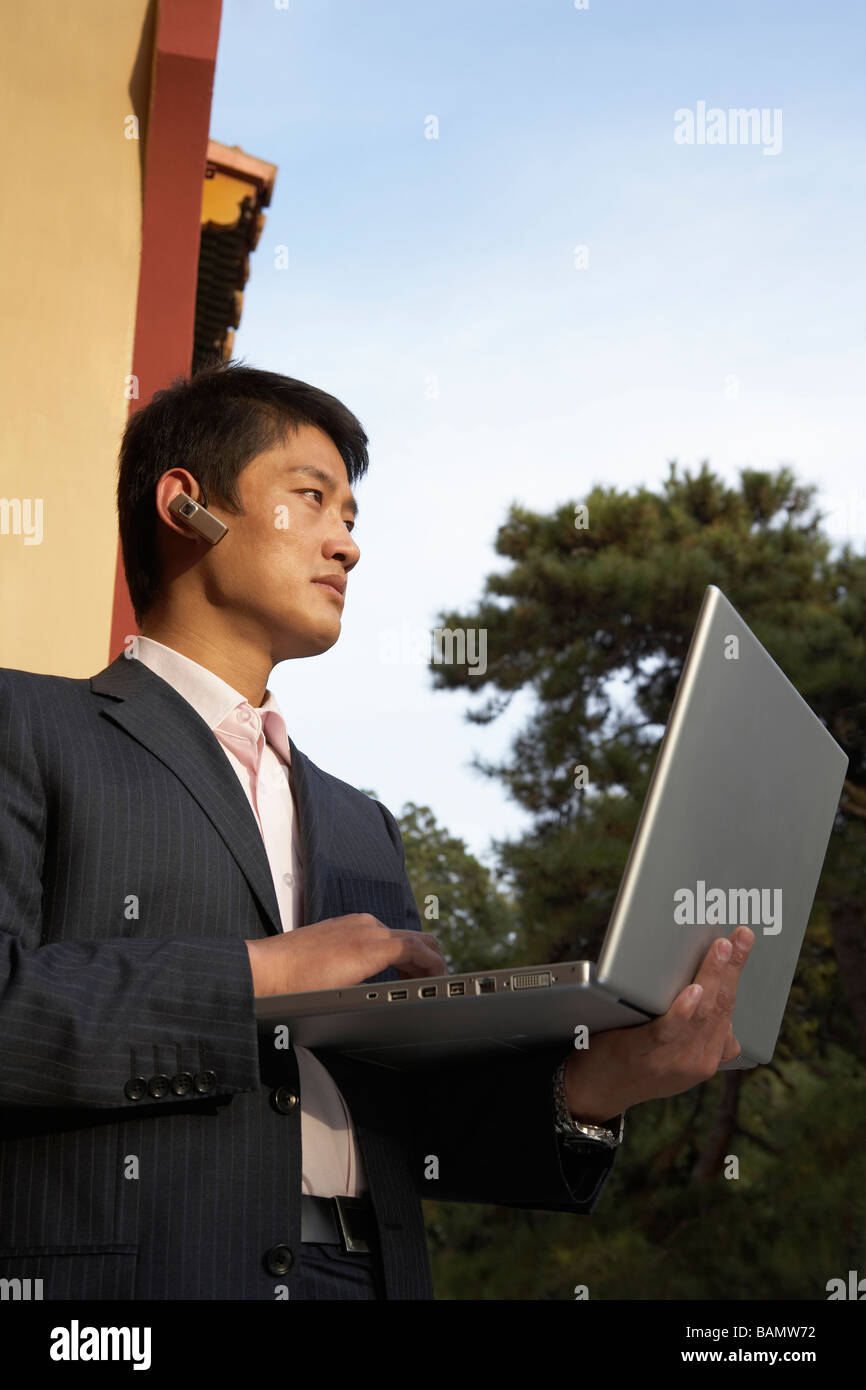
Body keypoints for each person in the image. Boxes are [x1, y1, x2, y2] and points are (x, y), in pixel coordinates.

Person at [0, 362, 753, 1300]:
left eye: (351, 518)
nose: (346, 546)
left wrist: (605, 1082)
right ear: (185, 504)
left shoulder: (361, 825)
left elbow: (414, 1125)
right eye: (311, 499)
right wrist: (263, 975)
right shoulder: (25, 726)